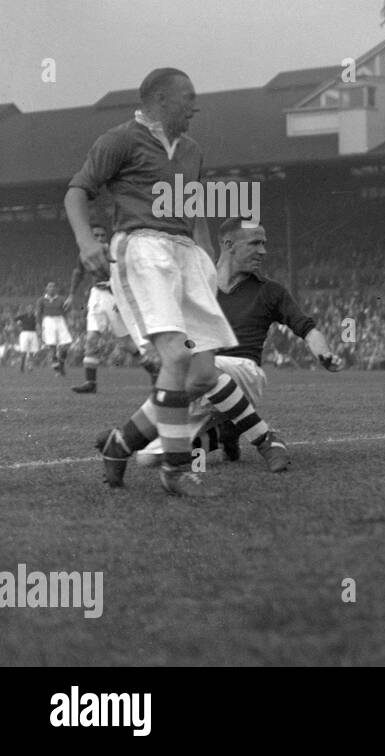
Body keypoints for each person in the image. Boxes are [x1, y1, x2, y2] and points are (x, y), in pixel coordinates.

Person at [66, 67, 274, 497]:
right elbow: (77, 190)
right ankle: (176, 471)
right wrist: (87, 242)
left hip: (185, 254)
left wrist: (206, 265)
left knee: (201, 373)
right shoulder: (119, 139)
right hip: (143, 250)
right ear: (160, 100)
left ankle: (120, 444)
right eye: (188, 98)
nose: (195, 107)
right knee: (176, 358)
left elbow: (192, 211)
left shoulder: (192, 150)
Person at [135, 218, 344, 468]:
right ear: (228, 244)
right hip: (201, 379)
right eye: (255, 243)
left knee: (206, 367)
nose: (263, 251)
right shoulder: (197, 285)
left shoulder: (270, 291)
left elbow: (308, 330)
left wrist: (325, 354)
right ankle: (224, 433)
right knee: (147, 460)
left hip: (244, 373)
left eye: (264, 244)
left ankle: (265, 438)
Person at [68, 223, 159, 392]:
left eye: (103, 235)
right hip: (96, 295)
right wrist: (72, 294)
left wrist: (121, 298)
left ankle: (154, 371)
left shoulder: (114, 253)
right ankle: (91, 383)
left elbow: (128, 275)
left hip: (114, 295)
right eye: (96, 236)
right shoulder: (85, 254)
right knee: (91, 339)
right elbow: (78, 272)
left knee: (126, 343)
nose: (100, 239)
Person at [36, 282, 73, 376]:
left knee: (66, 343)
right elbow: (39, 314)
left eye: (53, 286)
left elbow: (67, 310)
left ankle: (61, 363)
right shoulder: (41, 300)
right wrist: (39, 326)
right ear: (46, 289)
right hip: (48, 321)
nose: (52, 288)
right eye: (50, 286)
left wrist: (69, 318)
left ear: (56, 289)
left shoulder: (60, 299)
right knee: (52, 346)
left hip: (60, 320)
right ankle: (57, 369)